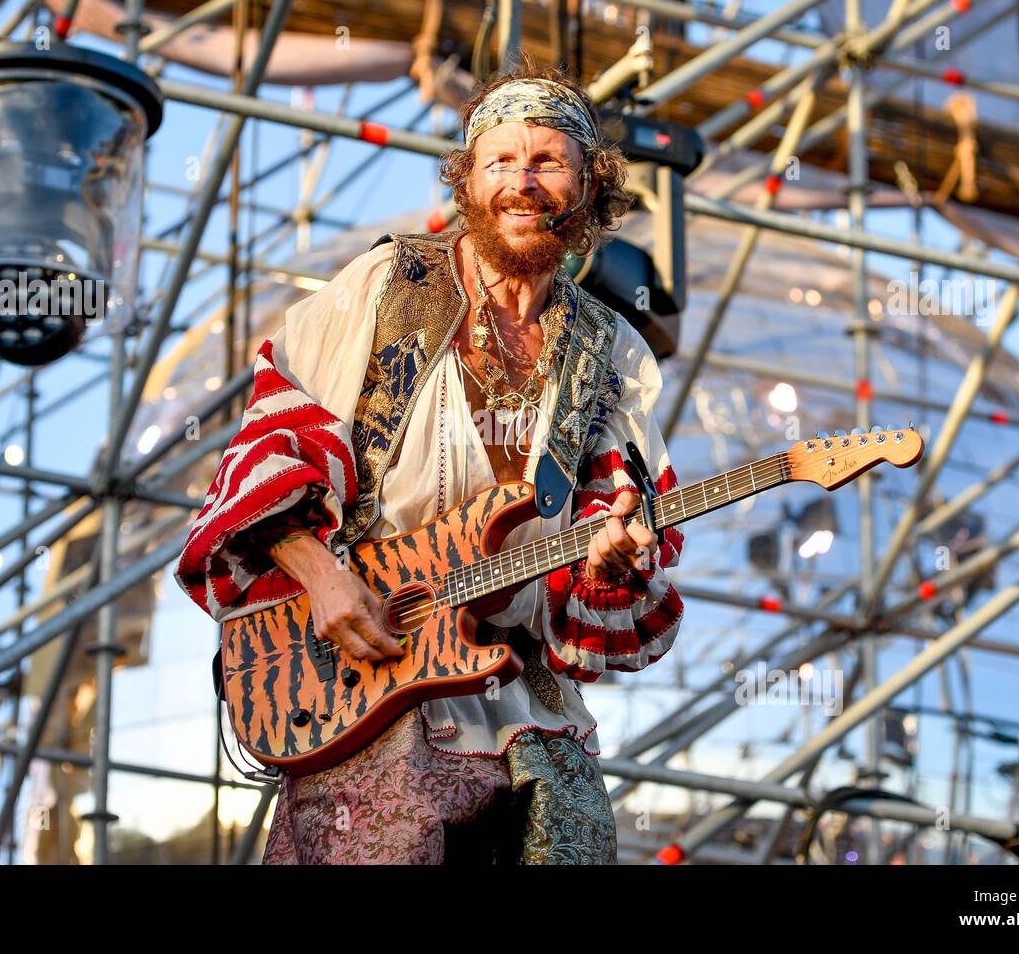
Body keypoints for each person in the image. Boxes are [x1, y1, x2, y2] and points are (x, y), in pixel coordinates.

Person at [174, 62, 685, 864]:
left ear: (590, 186)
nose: (524, 181)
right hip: (374, 664)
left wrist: (612, 557)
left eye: (549, 161)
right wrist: (321, 573)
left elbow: (613, 513)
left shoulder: (607, 347)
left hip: (520, 693)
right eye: (500, 161)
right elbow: (271, 440)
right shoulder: (390, 284)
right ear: (468, 182)